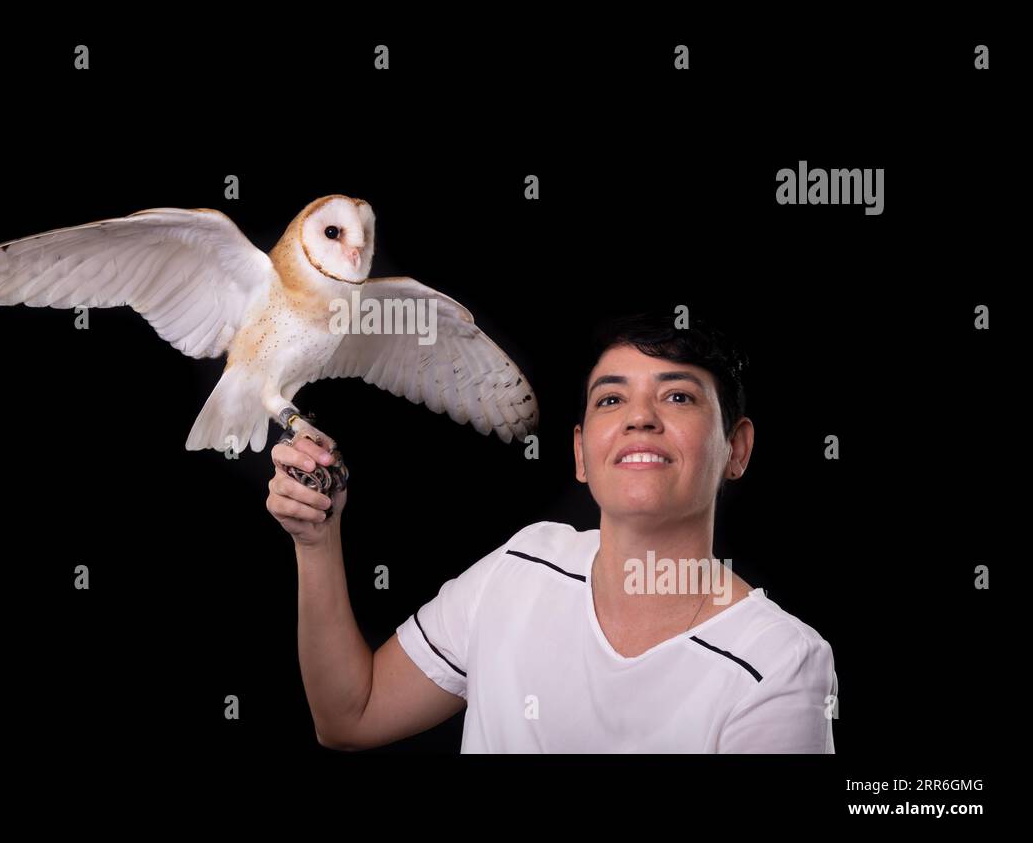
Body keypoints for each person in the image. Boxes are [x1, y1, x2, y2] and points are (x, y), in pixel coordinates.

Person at [266, 311, 837, 752]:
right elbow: (349, 717)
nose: (641, 417)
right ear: (581, 454)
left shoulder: (778, 662)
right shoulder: (520, 566)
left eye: (678, 396)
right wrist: (316, 539)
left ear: (735, 449)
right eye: (611, 398)